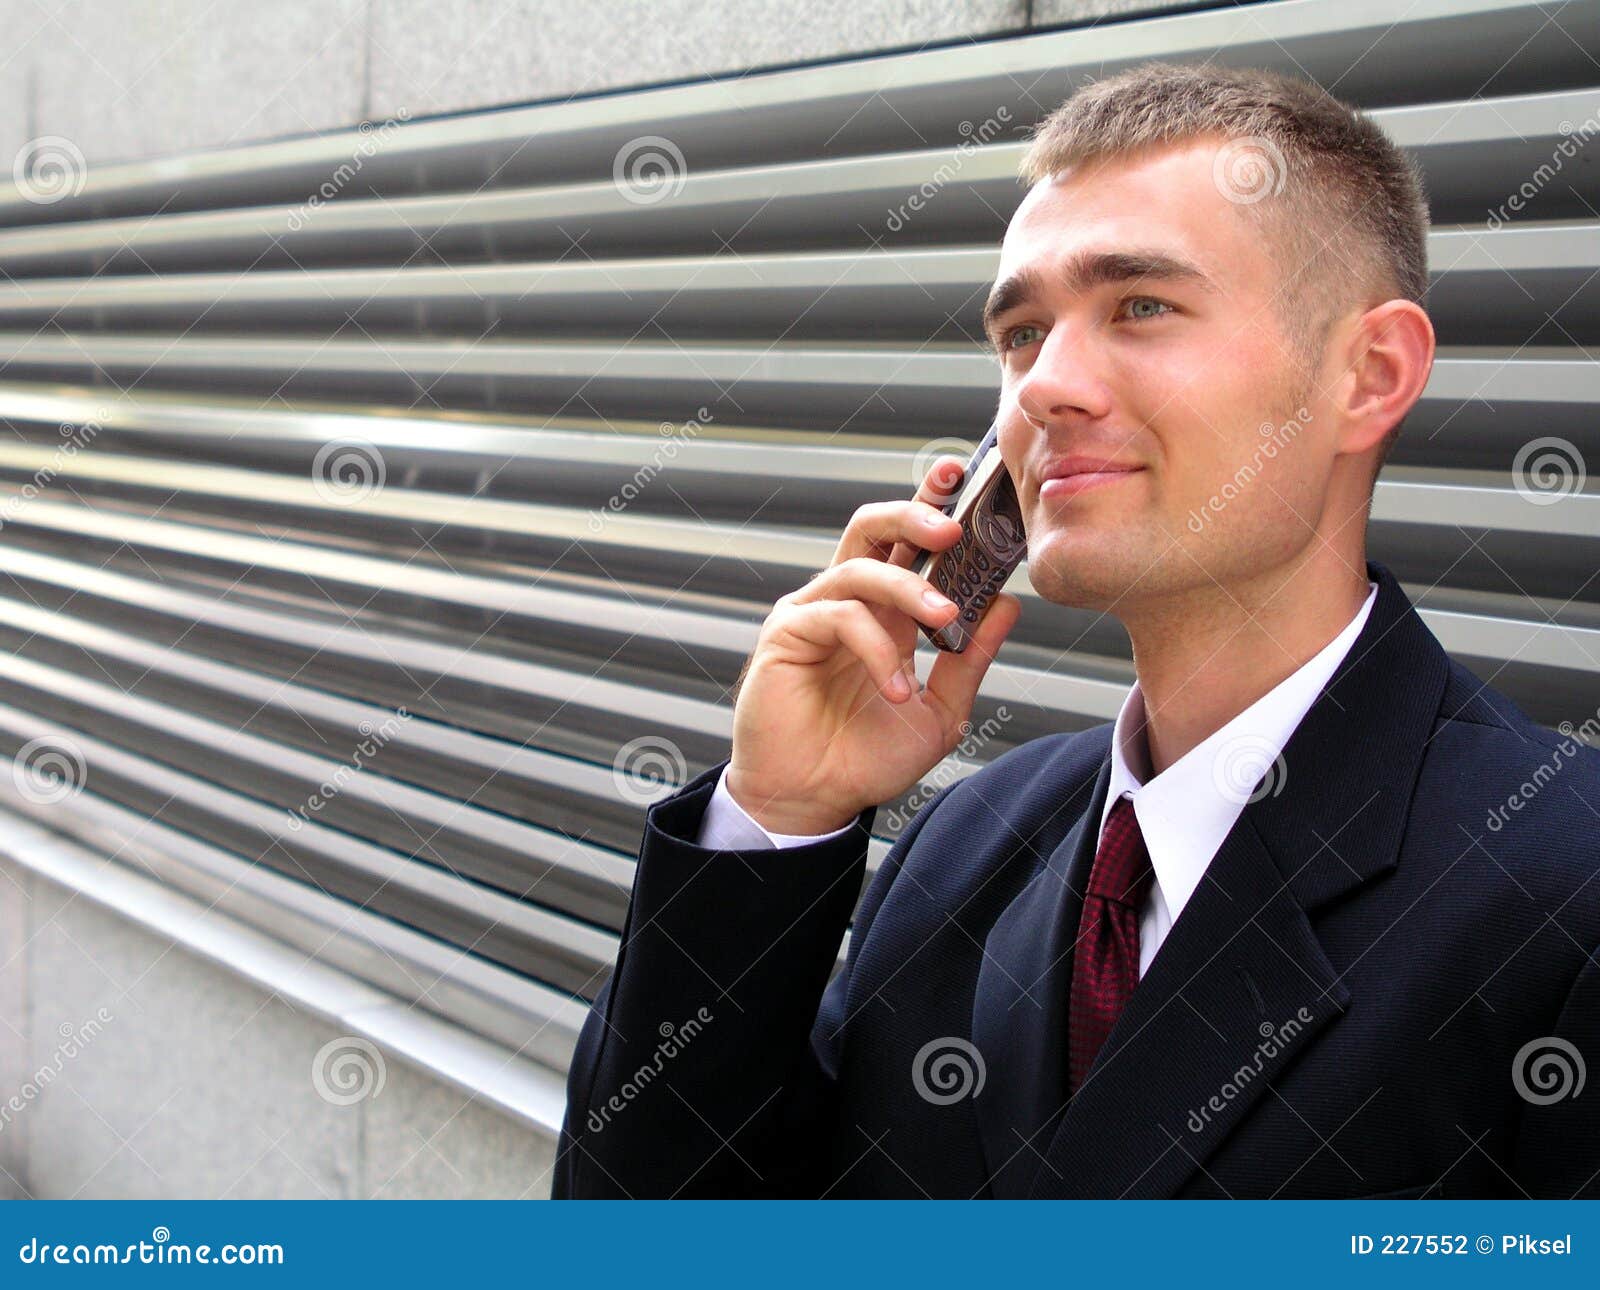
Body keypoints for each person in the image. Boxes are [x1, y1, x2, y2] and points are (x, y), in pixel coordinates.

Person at [553, 61, 1600, 1198]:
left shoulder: (1562, 889)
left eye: (1140, 306)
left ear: (1369, 373)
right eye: (1020, 334)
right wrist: (778, 818)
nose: (1043, 388)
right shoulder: (962, 847)